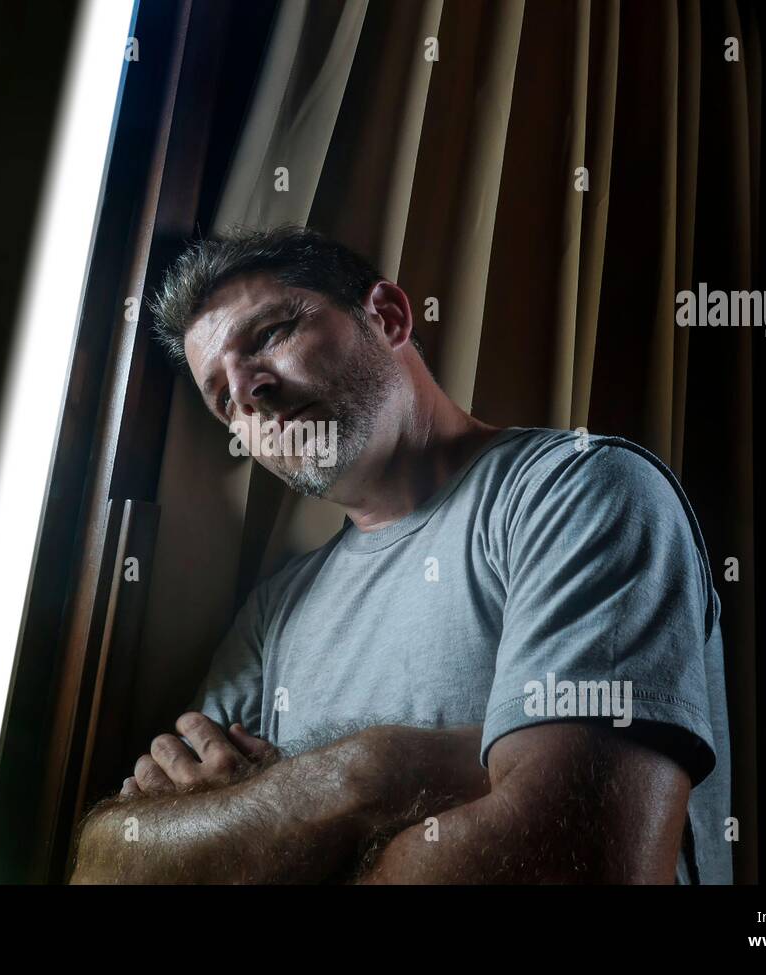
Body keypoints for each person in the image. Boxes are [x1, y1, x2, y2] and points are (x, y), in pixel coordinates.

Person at [69, 224, 732, 884]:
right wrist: (371, 775)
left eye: (270, 334)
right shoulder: (274, 613)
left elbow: (573, 860)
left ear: (386, 316)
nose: (248, 394)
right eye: (222, 398)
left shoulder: (574, 491)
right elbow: (110, 861)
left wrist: (280, 823)